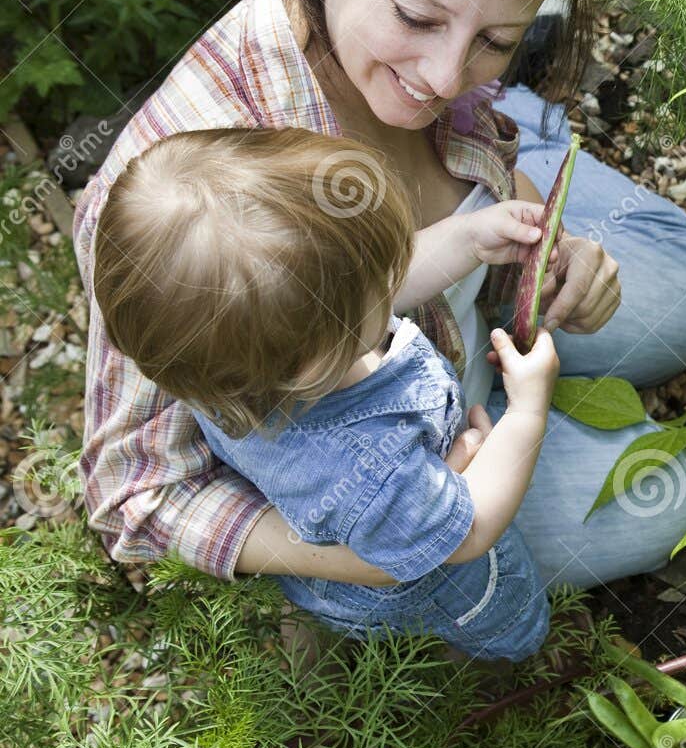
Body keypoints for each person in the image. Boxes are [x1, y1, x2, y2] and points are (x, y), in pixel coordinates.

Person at [71, 0, 686, 632]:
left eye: (496, 41)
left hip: (480, 302)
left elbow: (459, 100)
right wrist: (378, 548)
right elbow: (136, 492)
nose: (442, 77)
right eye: (417, 17)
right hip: (405, 454)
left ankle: (532, 137)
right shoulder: (186, 183)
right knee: (668, 498)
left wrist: (555, 245)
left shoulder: (430, 60)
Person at [93, 127, 563, 659]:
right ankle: (516, 649)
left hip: (369, 526)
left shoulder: (227, 365)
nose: (391, 279)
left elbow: (356, 295)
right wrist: (527, 412)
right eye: (378, 283)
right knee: (500, 603)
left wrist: (466, 239)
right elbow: (469, 533)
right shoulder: (365, 465)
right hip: (444, 574)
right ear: (316, 356)